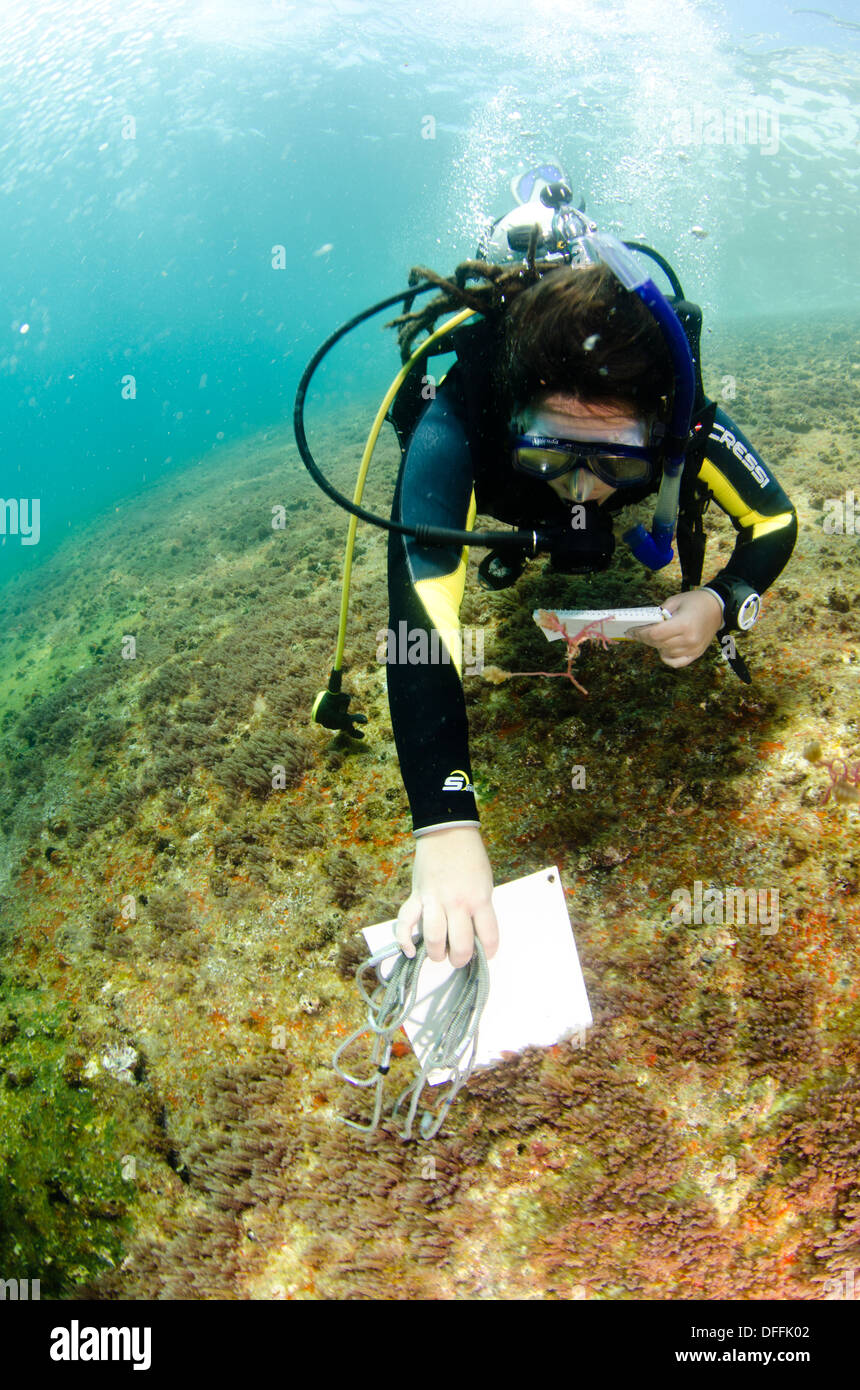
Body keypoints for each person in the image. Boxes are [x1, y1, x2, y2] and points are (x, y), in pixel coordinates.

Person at [384, 193, 796, 971]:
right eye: (552, 457)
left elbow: (774, 521)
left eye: (616, 465)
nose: (579, 490)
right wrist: (443, 823)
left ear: (661, 433)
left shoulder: (684, 417)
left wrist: (719, 602)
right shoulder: (464, 415)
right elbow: (417, 621)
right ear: (513, 421)